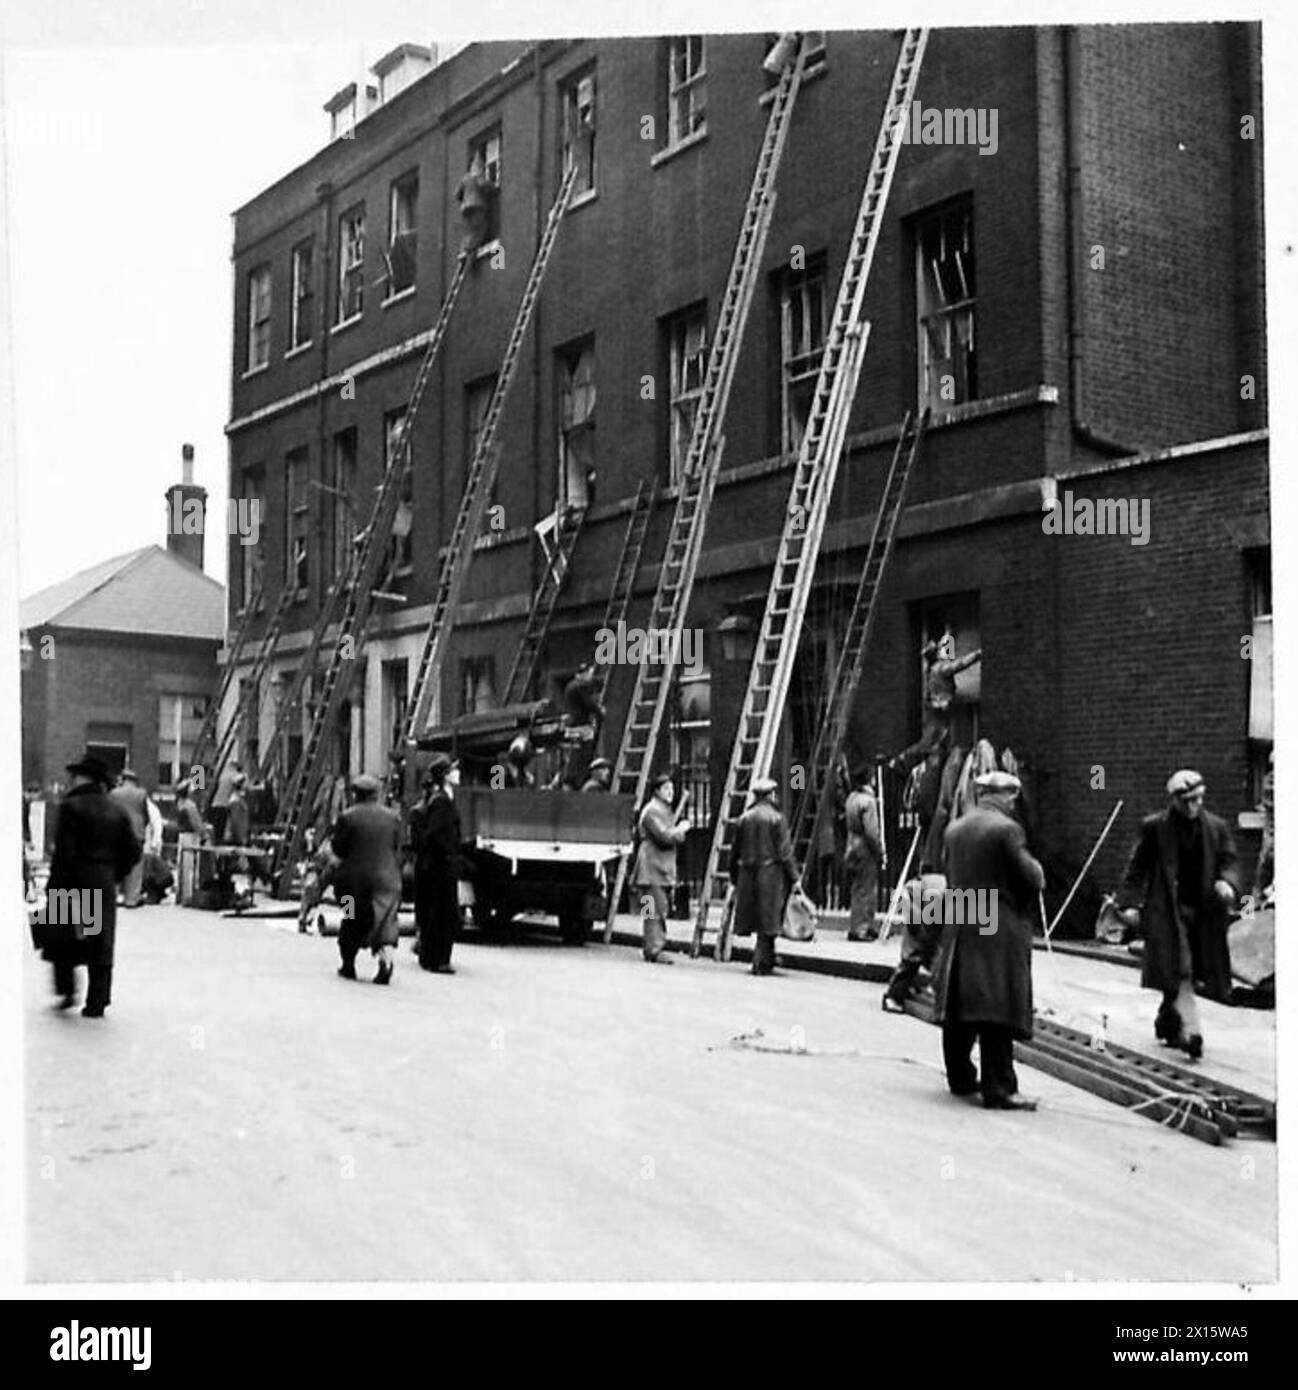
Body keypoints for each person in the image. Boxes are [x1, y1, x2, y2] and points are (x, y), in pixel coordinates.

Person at [931, 770, 1044, 1110]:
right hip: (997, 926)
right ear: (1008, 796)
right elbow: (1032, 877)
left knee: (960, 1001)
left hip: (963, 916)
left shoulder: (955, 828)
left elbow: (948, 872)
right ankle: (1000, 1088)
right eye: (1014, 797)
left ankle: (960, 1076)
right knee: (997, 1004)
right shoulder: (1007, 830)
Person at [1116, 769, 1240, 1060]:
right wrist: (1128, 904)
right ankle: (1192, 1032)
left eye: (1198, 799)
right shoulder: (1155, 828)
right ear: (1174, 799)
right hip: (1167, 910)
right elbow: (1136, 868)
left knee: (1191, 970)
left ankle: (1168, 1021)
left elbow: (1230, 861)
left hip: (1205, 912)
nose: (1193, 806)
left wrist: (1228, 882)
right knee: (1181, 968)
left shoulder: (1216, 828)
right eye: (1187, 801)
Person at [40, 752, 140, 1017]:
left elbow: (64, 851)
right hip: (103, 880)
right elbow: (133, 850)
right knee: (99, 942)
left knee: (63, 938)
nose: (71, 780)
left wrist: (57, 887)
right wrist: (113, 873)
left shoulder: (70, 807)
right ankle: (97, 1000)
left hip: (72, 880)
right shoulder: (117, 810)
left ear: (83, 777)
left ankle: (67, 992)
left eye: (74, 775)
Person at [330, 773, 405, 985]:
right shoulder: (393, 817)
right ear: (377, 794)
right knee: (387, 920)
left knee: (350, 917)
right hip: (387, 879)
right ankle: (386, 960)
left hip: (352, 883)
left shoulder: (347, 817)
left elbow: (338, 849)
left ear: (355, 794)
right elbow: (398, 847)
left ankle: (348, 964)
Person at [730, 775, 801, 976]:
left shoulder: (744, 818)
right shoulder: (777, 819)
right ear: (771, 795)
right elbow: (785, 852)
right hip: (771, 876)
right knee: (768, 921)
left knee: (761, 919)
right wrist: (795, 878)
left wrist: (734, 876)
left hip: (748, 874)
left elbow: (735, 851)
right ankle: (761, 961)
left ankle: (767, 956)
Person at [408, 755, 468, 974]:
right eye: (453, 770)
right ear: (445, 776)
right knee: (444, 913)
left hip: (436, 865)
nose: (458, 773)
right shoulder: (442, 801)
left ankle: (430, 956)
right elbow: (437, 834)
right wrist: (451, 856)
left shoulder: (439, 799)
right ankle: (439, 959)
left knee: (436, 912)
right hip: (441, 867)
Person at [892, 637, 982, 773]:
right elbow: (961, 664)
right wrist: (977, 654)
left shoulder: (930, 669)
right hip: (941, 708)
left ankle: (905, 760)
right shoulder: (941, 668)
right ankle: (904, 760)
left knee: (933, 739)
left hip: (935, 706)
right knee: (932, 741)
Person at [632, 771, 689, 964]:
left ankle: (650, 947)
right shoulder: (653, 811)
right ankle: (655, 948)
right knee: (655, 910)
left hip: (651, 870)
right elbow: (664, 837)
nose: (670, 792)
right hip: (653, 868)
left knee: (651, 911)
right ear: (657, 791)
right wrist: (680, 830)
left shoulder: (658, 810)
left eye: (672, 789)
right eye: (666, 789)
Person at [843, 769, 882, 941]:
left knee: (857, 888)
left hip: (851, 845)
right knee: (868, 888)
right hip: (865, 849)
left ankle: (858, 925)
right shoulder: (868, 802)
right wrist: (879, 851)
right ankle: (862, 929)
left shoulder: (851, 798)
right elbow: (871, 832)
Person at [110, 768, 150, 908]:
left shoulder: (114, 793)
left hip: (117, 832)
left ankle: (112, 896)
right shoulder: (142, 793)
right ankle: (131, 899)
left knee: (115, 865)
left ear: (124, 779)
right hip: (136, 833)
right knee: (135, 866)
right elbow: (145, 815)